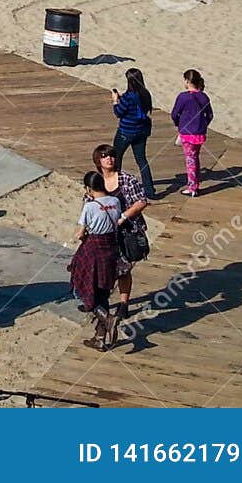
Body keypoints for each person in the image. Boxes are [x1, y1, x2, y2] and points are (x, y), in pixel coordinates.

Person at [93, 143, 148, 341]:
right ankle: (101, 305)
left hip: (127, 231)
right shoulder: (97, 181)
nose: (109, 159)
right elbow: (89, 201)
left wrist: (123, 216)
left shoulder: (126, 179)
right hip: (105, 233)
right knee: (104, 269)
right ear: (98, 160)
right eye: (104, 156)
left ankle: (124, 304)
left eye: (111, 155)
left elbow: (141, 201)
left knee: (124, 269)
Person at [69, 171, 122, 350]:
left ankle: (107, 319)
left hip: (93, 249)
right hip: (111, 249)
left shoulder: (90, 206)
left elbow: (81, 233)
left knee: (83, 287)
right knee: (103, 291)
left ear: (88, 188)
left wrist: (81, 234)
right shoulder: (115, 201)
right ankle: (99, 338)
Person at [110, 67, 155, 196]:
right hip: (141, 131)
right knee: (142, 160)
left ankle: (116, 187)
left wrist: (115, 101)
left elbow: (119, 112)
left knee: (117, 158)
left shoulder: (128, 97)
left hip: (126, 131)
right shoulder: (145, 94)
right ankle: (149, 190)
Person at [171, 69, 214, 197]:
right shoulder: (203, 96)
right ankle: (195, 184)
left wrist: (179, 123)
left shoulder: (183, 97)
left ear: (187, 81)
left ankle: (192, 187)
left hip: (187, 133)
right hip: (199, 132)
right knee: (195, 158)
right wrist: (203, 124)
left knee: (190, 160)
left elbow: (174, 114)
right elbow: (210, 115)